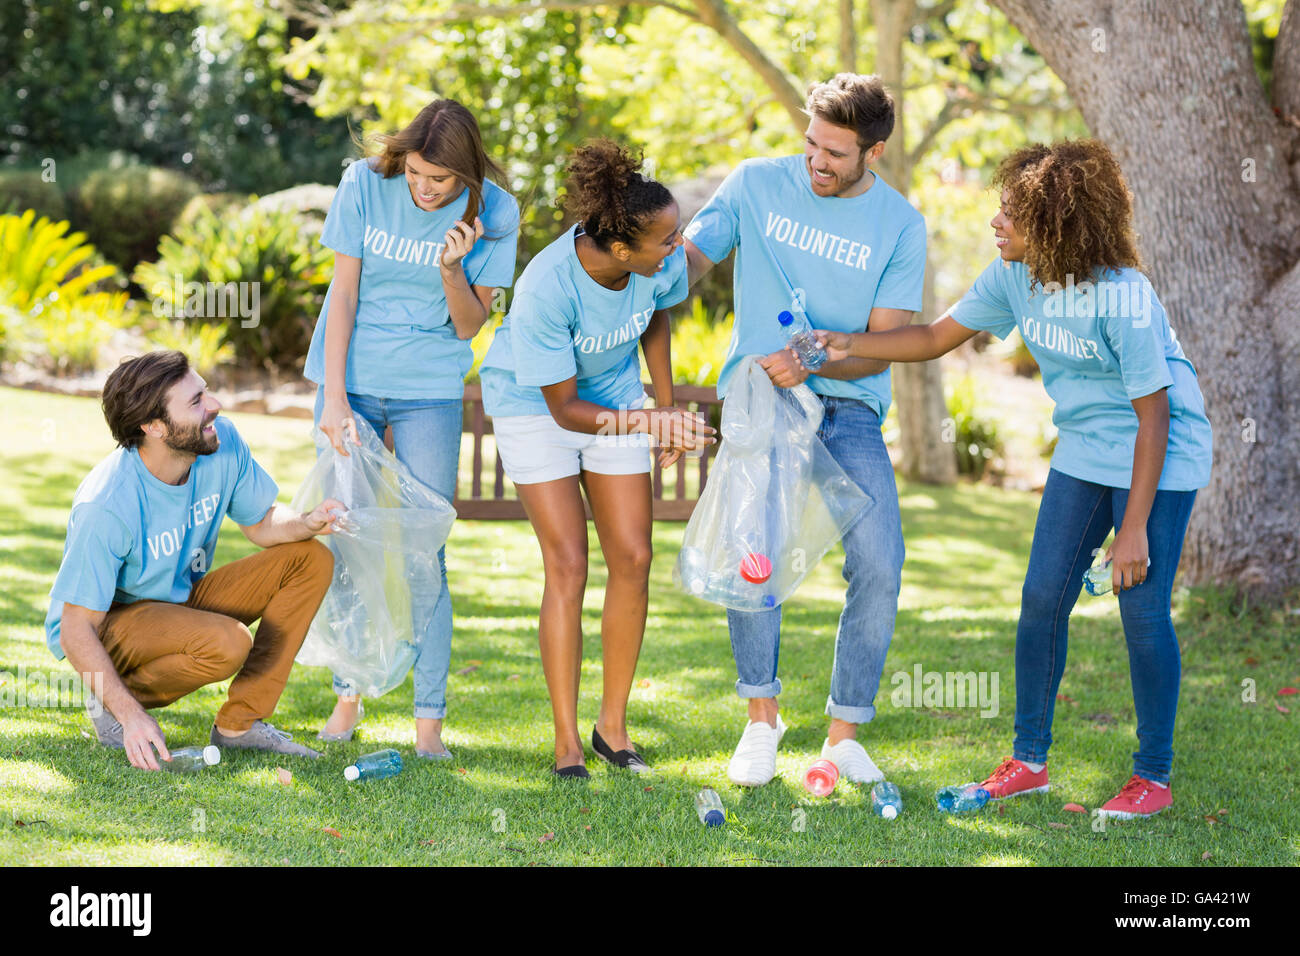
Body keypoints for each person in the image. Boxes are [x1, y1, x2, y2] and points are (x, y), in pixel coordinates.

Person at [816, 139, 1213, 819]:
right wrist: (846, 345)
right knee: (1040, 598)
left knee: (1141, 608)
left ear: (1058, 225)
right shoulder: (1012, 279)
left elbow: (1156, 416)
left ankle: (1153, 776)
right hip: (1086, 448)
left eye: (1012, 215)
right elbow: (933, 337)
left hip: (1162, 453)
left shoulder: (1122, 297)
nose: (996, 224)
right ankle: (1029, 761)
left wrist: (1134, 530)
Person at [682, 74, 926, 787]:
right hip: (764, 402)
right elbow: (688, 261)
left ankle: (844, 733)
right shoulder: (757, 183)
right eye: (812, 145)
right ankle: (762, 720)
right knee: (752, 551)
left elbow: (883, 344)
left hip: (848, 410)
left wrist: (815, 355)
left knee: (881, 560)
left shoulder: (901, 226)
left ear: (873, 153)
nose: (817, 162)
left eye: (836, 155)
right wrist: (644, 277)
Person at [480, 140, 714, 777]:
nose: (678, 253)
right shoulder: (546, 290)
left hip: (613, 393)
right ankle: (565, 743)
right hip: (536, 406)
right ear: (617, 248)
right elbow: (565, 412)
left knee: (634, 556)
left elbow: (657, 319)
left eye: (676, 237)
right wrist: (654, 419)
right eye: (665, 243)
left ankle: (613, 729)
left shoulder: (652, 260)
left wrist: (663, 409)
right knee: (569, 563)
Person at [302, 98, 519, 759]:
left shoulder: (497, 212)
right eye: (418, 176)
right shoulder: (365, 184)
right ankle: (348, 696)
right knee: (344, 540)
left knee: (424, 552)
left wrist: (453, 267)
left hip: (429, 388)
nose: (426, 191)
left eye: (442, 182)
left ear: (468, 177)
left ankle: (429, 723)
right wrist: (334, 398)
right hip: (353, 382)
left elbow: (467, 326)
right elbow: (342, 295)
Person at [45, 351, 343, 771]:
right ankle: (113, 703)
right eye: (196, 402)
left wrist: (308, 520)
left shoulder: (221, 443)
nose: (215, 406)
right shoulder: (106, 505)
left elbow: (261, 522)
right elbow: (76, 629)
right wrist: (131, 716)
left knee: (310, 559)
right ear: (154, 427)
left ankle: (240, 725)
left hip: (179, 600)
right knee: (228, 643)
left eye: (205, 393)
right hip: (114, 626)